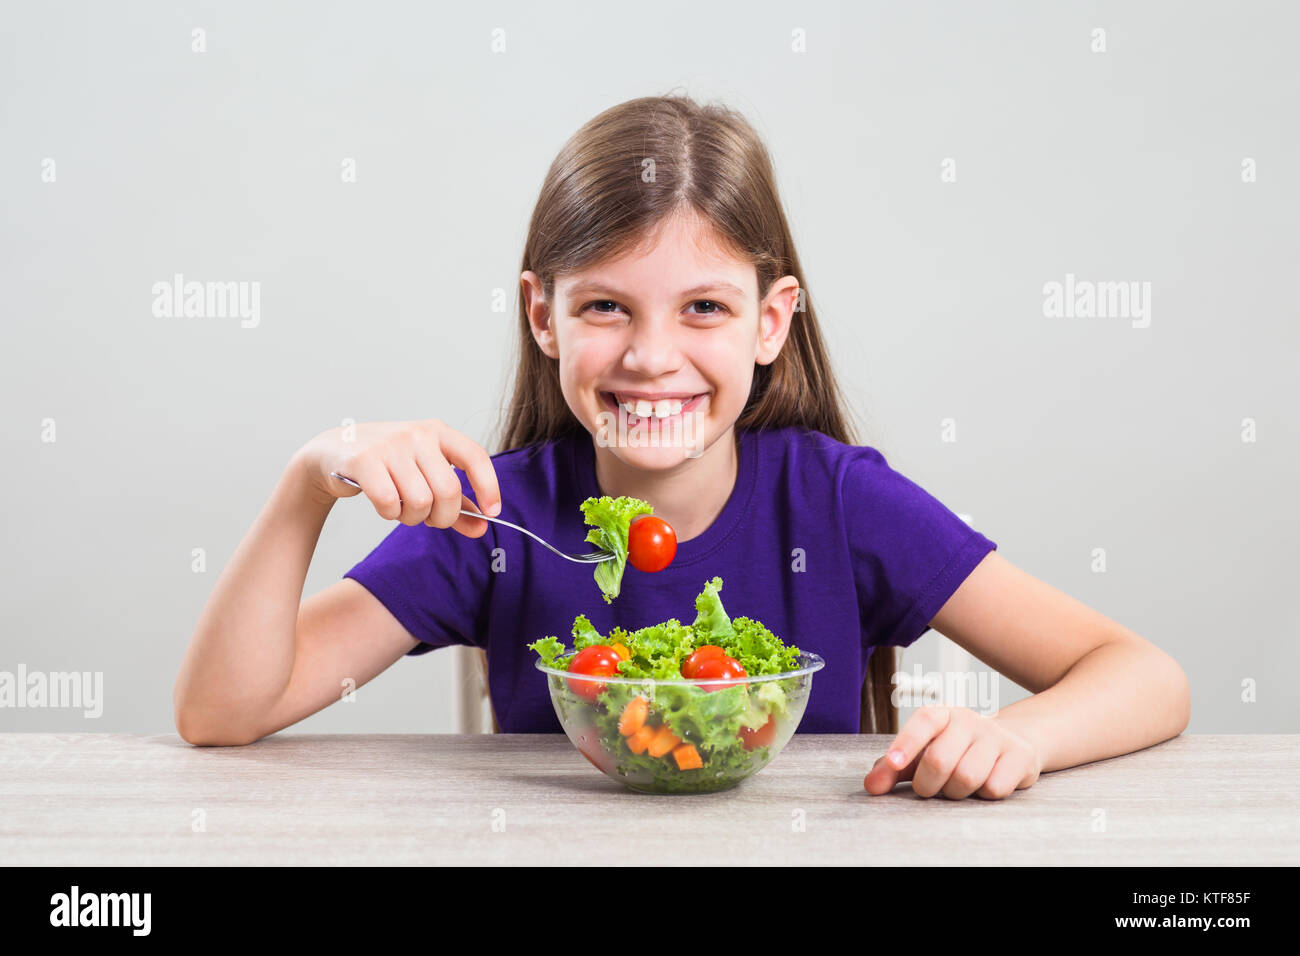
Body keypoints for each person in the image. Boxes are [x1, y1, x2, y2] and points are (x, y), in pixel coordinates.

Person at [174, 94, 1189, 800]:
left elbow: (1143, 673)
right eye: (606, 306)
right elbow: (223, 709)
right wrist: (311, 476)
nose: (652, 357)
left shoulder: (836, 504)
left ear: (769, 319)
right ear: (543, 315)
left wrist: (1016, 735)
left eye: (702, 306)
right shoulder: (493, 513)